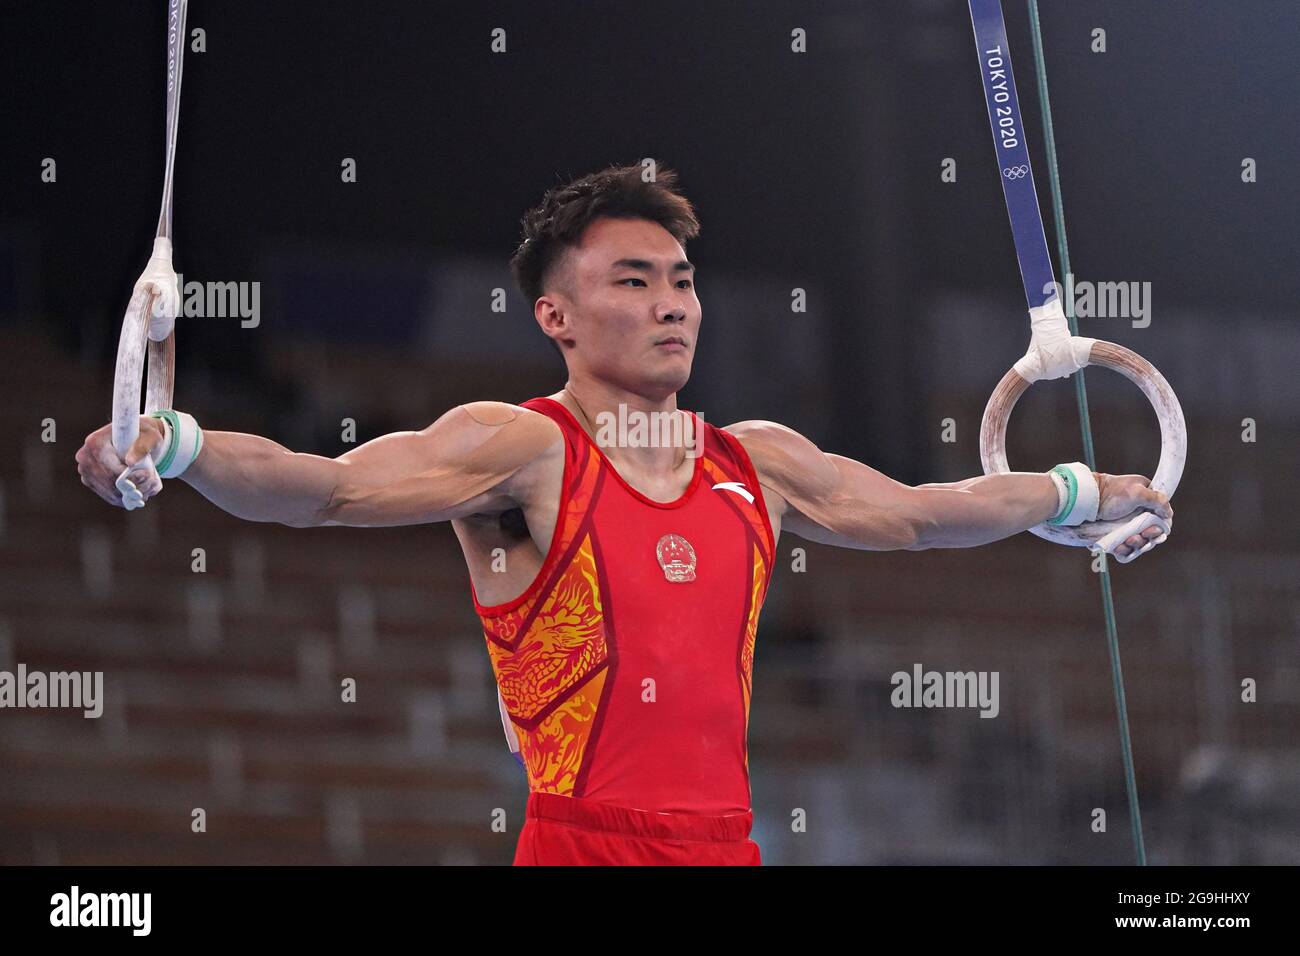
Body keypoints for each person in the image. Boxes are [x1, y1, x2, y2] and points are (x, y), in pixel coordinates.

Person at [75, 162, 1172, 865]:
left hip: (726, 846)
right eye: (633, 281)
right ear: (555, 314)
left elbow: (930, 513)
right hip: (583, 844)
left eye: (682, 281)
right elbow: (327, 488)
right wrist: (174, 444)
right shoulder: (520, 446)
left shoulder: (758, 460)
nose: (670, 305)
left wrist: (1085, 491)